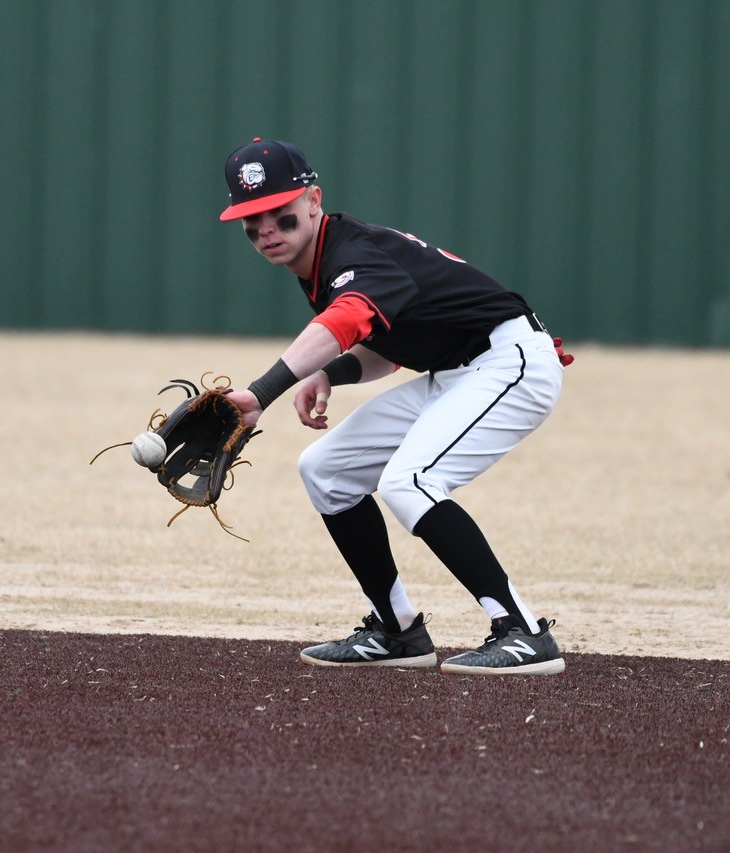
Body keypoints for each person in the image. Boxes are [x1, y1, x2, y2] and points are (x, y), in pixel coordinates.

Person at [220, 138, 570, 676]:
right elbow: (386, 350)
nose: (266, 228)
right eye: (251, 218)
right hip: (458, 372)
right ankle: (397, 631)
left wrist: (261, 392)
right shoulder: (324, 262)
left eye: (279, 212)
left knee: (410, 480)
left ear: (313, 200)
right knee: (325, 469)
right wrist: (328, 373)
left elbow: (346, 321)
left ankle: (521, 631)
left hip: (511, 360)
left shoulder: (351, 252)